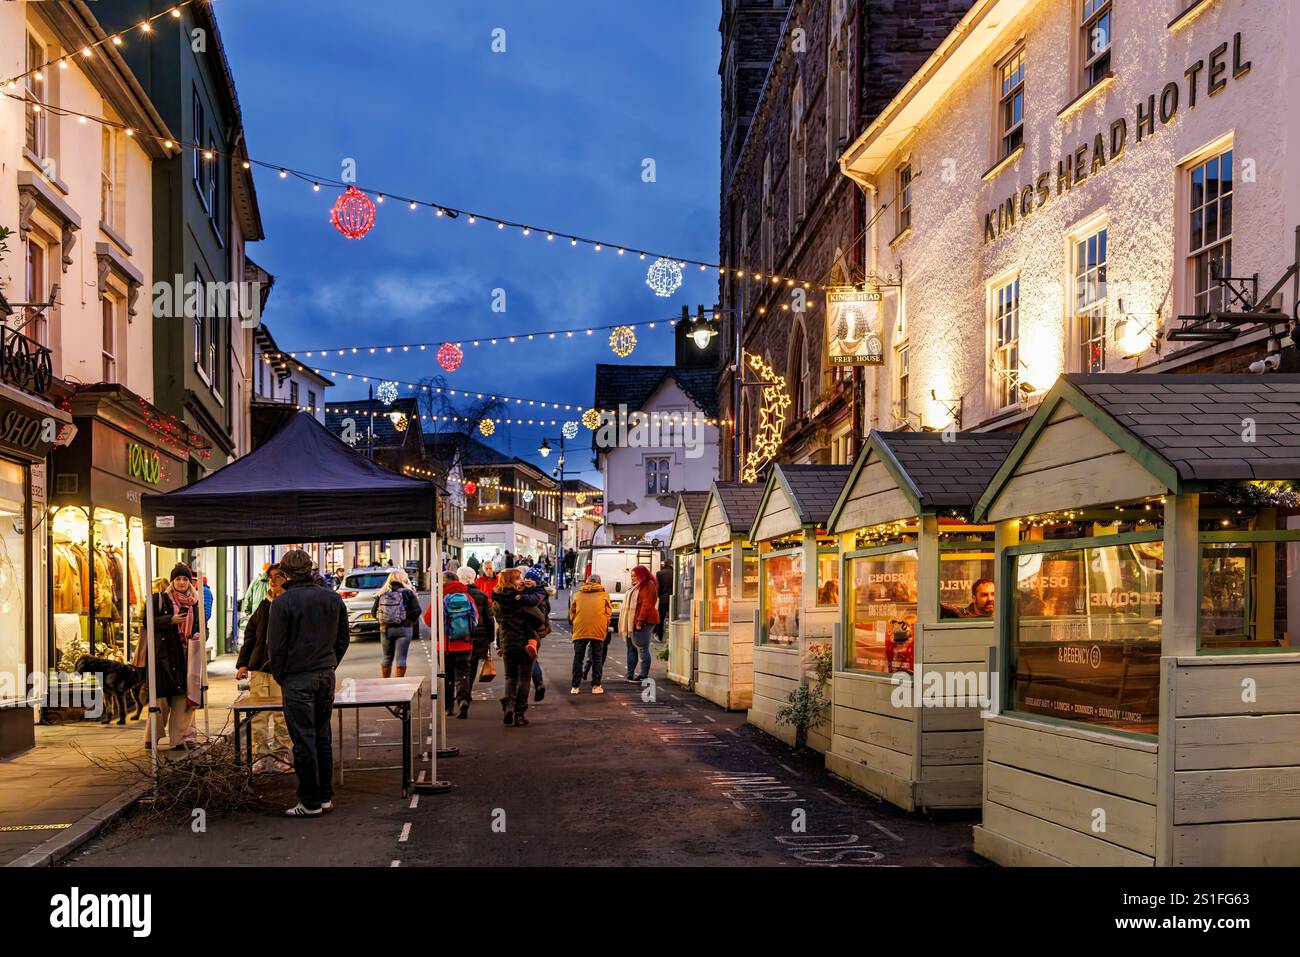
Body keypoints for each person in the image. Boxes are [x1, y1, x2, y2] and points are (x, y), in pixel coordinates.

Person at [267, 549, 350, 818]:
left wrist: (283, 676)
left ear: (286, 573)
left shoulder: (282, 603)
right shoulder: (332, 598)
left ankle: (310, 801)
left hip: (297, 677)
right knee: (322, 735)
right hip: (325, 674)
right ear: (310, 568)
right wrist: (330, 663)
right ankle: (324, 796)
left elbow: (275, 648)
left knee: (303, 740)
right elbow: (342, 638)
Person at [235, 563, 291, 772]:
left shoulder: (290, 604)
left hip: (282, 670)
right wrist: (243, 664)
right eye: (271, 578)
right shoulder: (264, 606)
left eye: (278, 577)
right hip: (259, 667)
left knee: (281, 715)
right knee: (258, 715)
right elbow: (250, 636)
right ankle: (259, 754)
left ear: (286, 579)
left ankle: (281, 754)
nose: (274, 581)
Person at [145, 564, 202, 750]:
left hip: (187, 652)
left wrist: (199, 635)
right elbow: (147, 621)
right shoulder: (160, 599)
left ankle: (181, 738)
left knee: (184, 696)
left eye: (185, 579)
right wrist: (170, 620)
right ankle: (152, 735)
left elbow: (201, 625)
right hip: (166, 654)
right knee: (161, 696)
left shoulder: (195, 600)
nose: (182, 582)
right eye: (178, 579)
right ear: (172, 581)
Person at [492, 567, 547, 726]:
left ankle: (509, 705)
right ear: (511, 581)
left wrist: (499, 643)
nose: (521, 580)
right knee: (524, 679)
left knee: (510, 677)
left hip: (508, 642)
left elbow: (499, 622)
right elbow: (540, 618)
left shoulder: (498, 601)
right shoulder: (521, 600)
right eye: (518, 578)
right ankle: (519, 713)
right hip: (525, 643)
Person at [437, 573, 479, 717]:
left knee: (448, 676)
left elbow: (429, 619)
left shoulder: (441, 598)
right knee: (463, 675)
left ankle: (449, 706)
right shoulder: (468, 598)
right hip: (466, 644)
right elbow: (475, 619)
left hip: (445, 645)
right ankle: (463, 700)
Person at [456, 565, 494, 717]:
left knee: (460, 667)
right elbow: (489, 619)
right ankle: (468, 692)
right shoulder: (482, 596)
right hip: (479, 637)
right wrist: (490, 638)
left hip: (459, 637)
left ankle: (461, 694)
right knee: (471, 668)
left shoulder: (454, 594)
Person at [372, 569, 423, 678]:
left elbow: (373, 612)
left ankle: (385, 682)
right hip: (404, 629)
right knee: (401, 658)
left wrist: (383, 621)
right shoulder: (408, 592)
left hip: (385, 629)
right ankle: (398, 682)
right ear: (403, 579)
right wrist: (409, 622)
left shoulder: (382, 593)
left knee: (387, 657)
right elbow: (417, 610)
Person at [568, 575, 612, 694]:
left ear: (586, 582)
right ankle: (596, 686)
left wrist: (576, 622)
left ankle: (575, 687)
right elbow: (608, 612)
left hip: (580, 629)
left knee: (578, 657)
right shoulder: (604, 595)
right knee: (597, 657)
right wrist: (604, 623)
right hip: (598, 629)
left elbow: (572, 612)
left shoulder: (578, 595)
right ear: (599, 582)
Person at [621, 564, 660, 681]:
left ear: (642, 575)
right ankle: (630, 673)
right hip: (632, 621)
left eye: (634, 575)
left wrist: (639, 622)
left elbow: (646, 605)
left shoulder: (648, 585)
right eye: (631, 576)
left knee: (642, 648)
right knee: (631, 647)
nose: (632, 578)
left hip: (645, 621)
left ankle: (643, 675)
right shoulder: (637, 586)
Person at [523, 566, 553, 701]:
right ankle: (538, 684)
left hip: (534, 631)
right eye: (526, 578)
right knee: (532, 659)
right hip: (533, 631)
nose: (528, 581)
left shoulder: (538, 594)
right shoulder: (534, 592)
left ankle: (537, 684)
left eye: (531, 579)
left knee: (530, 659)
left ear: (537, 581)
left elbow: (541, 614)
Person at [654, 562, 673, 641]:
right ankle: (671, 637)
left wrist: (659, 596)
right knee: (673, 618)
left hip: (663, 598)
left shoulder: (659, 573)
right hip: (674, 599)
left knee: (660, 618)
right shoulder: (674, 572)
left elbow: (658, 587)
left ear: (664, 565)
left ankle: (659, 636)